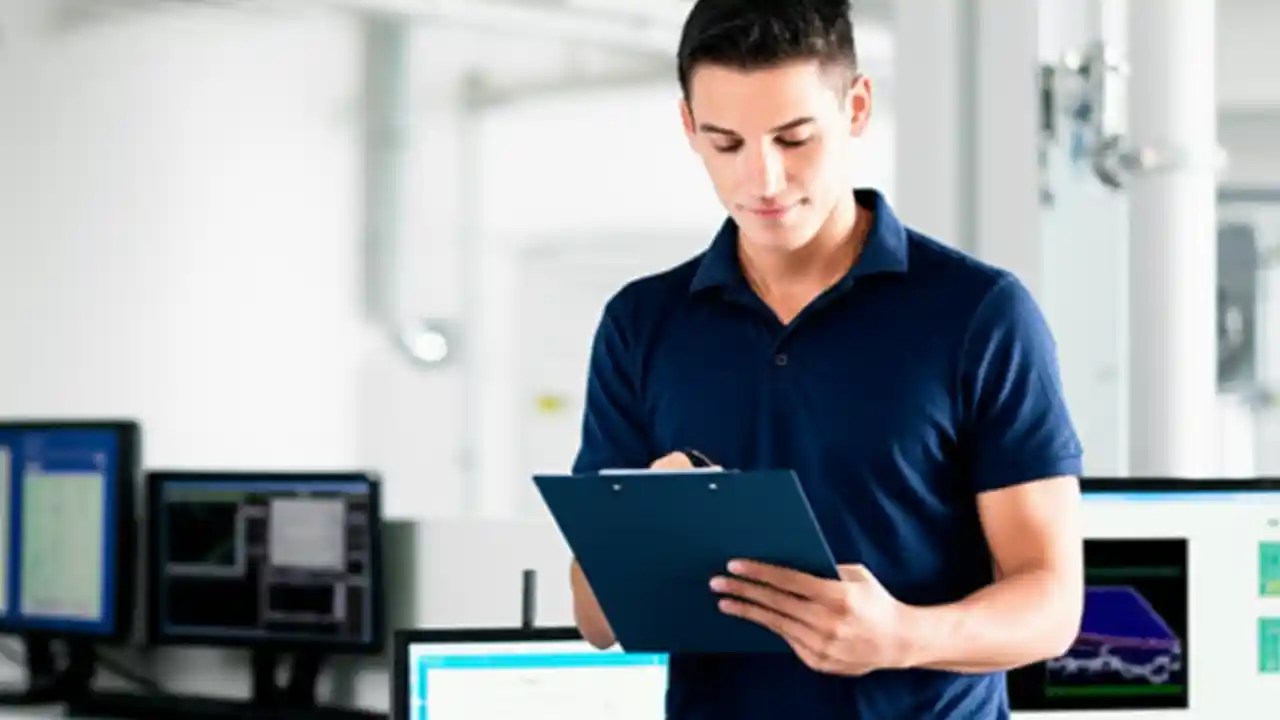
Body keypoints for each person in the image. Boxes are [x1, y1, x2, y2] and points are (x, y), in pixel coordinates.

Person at [567, 0, 1085, 717]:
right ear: (688, 126)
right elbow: (596, 619)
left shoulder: (978, 313)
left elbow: (1052, 605)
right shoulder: (642, 322)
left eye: (794, 138)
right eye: (726, 144)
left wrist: (903, 635)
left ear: (858, 107)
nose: (764, 180)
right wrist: (650, 522)